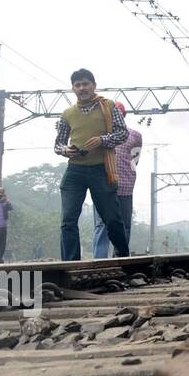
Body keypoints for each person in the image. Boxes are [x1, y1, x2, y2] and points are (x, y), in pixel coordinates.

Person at [54, 69, 130, 260]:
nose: (82, 88)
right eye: (77, 85)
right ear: (73, 88)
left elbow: (123, 133)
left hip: (101, 169)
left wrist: (102, 140)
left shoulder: (108, 106)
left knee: (112, 219)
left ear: (93, 85)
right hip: (75, 171)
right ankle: (70, 264)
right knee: (68, 220)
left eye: (85, 84)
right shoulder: (67, 114)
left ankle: (123, 257)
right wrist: (66, 150)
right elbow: (58, 144)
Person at [93, 103, 142, 259]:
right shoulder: (135, 135)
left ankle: (100, 259)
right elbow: (135, 160)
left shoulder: (98, 135)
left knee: (102, 224)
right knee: (123, 225)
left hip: (106, 185)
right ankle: (120, 258)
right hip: (123, 184)